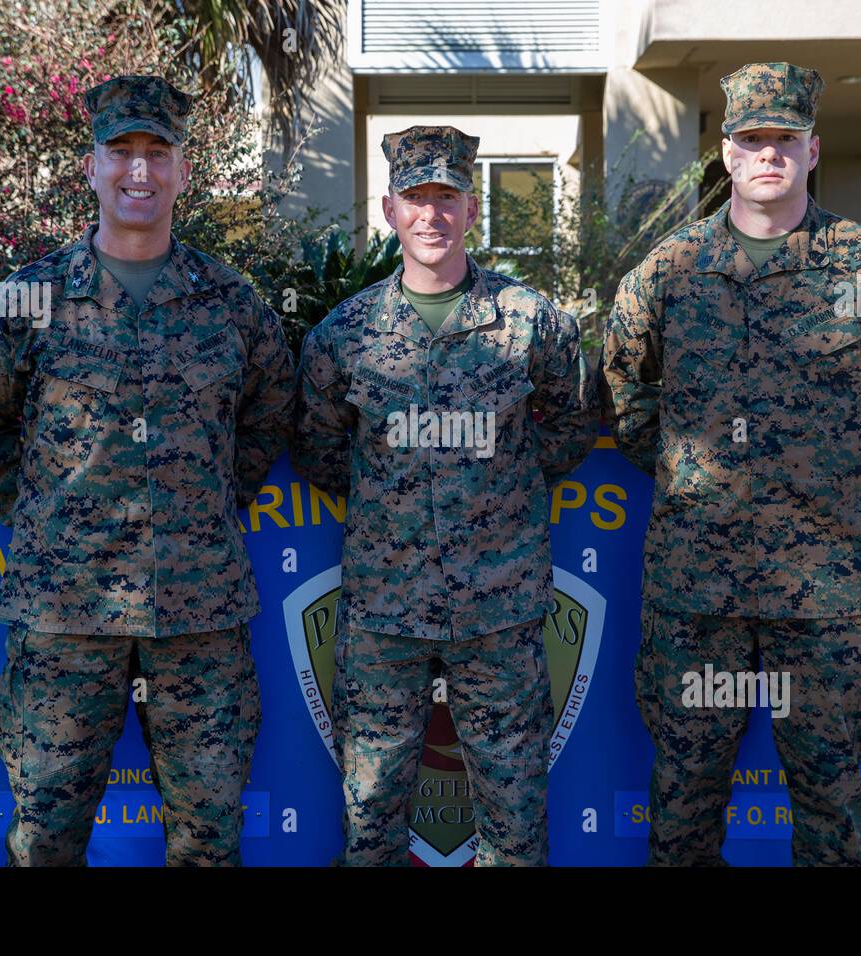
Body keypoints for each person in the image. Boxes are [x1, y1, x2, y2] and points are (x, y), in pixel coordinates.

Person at [600, 62, 861, 866]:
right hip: (699, 586)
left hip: (827, 587)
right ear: (726, 154)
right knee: (686, 791)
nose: (767, 154)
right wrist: (681, 469)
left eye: (785, 140)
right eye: (751, 140)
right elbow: (621, 386)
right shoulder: (668, 271)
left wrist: (850, 477)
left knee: (833, 797)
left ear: (812, 151)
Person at [0, 75, 294, 866]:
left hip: (199, 610)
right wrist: (50, 521)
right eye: (122, 151)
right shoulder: (29, 300)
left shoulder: (233, 304)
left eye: (158, 153)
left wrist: (200, 509)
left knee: (209, 839)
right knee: (46, 838)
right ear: (92, 167)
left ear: (183, 172)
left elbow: (267, 416)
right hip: (65, 611)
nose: (140, 170)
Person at [293, 125, 598, 865]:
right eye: (415, 197)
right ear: (391, 210)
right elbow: (322, 449)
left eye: (448, 197)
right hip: (384, 612)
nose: (431, 214)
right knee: (369, 823)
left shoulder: (532, 324)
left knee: (515, 821)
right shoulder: (346, 335)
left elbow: (569, 427)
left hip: (500, 608)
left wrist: (497, 496)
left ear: (471, 211)